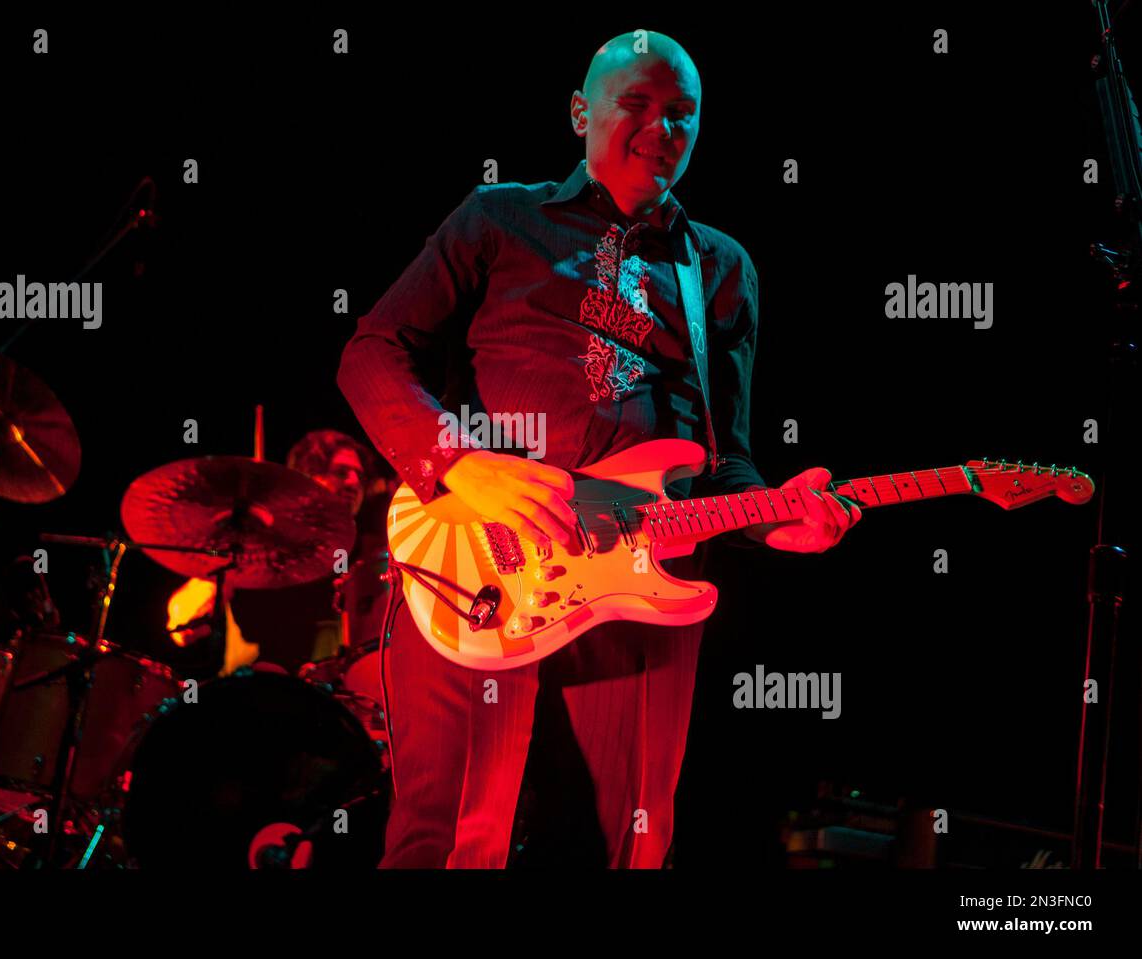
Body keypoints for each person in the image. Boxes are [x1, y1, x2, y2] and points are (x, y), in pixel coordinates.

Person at [336, 30, 862, 868]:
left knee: (631, 837)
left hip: (651, 568)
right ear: (581, 112)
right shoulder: (499, 216)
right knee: (453, 837)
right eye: (639, 106)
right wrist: (460, 463)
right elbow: (371, 351)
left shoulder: (721, 267)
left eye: (683, 116)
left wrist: (773, 519)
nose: (663, 130)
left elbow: (727, 456)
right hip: (477, 556)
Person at [165, 429, 388, 675]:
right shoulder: (262, 542)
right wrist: (192, 609)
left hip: (338, 702)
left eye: (360, 476)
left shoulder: (369, 553)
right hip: (256, 696)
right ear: (309, 477)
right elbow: (183, 618)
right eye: (342, 472)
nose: (354, 483)